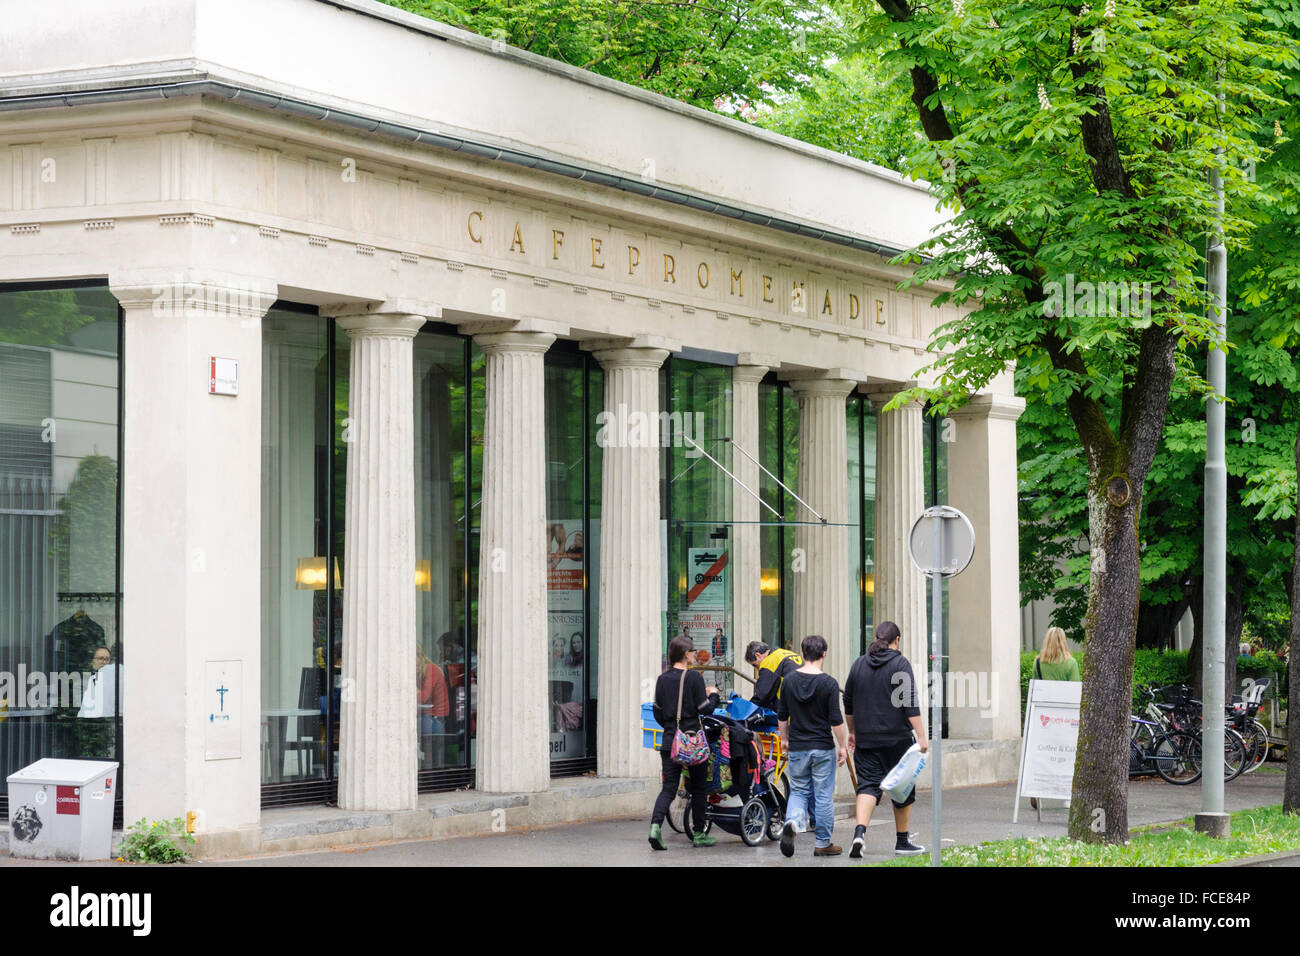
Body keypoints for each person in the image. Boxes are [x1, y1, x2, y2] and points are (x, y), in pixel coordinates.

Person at [843, 621, 927, 858]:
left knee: (867, 786)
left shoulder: (859, 664)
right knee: (902, 789)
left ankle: (859, 834)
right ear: (896, 640)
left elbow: (847, 701)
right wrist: (921, 736)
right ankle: (902, 841)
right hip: (897, 739)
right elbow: (909, 702)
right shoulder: (900, 663)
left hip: (866, 739)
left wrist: (852, 732)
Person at [777, 635, 847, 858]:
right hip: (822, 747)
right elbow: (836, 720)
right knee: (823, 795)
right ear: (824, 654)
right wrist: (843, 746)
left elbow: (782, 716)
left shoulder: (788, 681)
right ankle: (823, 843)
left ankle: (792, 822)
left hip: (798, 747)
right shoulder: (829, 683)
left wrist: (784, 739)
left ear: (802, 654)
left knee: (798, 790)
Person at [649, 636, 719, 850]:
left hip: (670, 741)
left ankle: (655, 827)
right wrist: (714, 695)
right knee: (699, 787)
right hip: (692, 740)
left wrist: (672, 727)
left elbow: (657, 712)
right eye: (693, 651)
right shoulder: (694, 678)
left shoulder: (662, 679)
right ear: (686, 654)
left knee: (668, 788)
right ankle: (699, 834)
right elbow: (705, 708)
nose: (695, 654)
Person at [744, 641, 803, 712]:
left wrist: (746, 710)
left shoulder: (770, 661)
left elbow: (762, 695)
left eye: (755, 665)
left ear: (758, 655)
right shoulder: (788, 654)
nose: (757, 669)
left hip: (790, 709)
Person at [78, 645, 119, 718]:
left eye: (107, 659)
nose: (104, 662)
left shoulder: (115, 680)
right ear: (93, 660)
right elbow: (84, 709)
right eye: (101, 658)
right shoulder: (89, 680)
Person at [417, 645, 449, 735]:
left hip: (434, 720)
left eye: (417, 665)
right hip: (425, 716)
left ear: (421, 658)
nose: (416, 669)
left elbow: (422, 698)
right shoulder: (421, 673)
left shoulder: (431, 670)